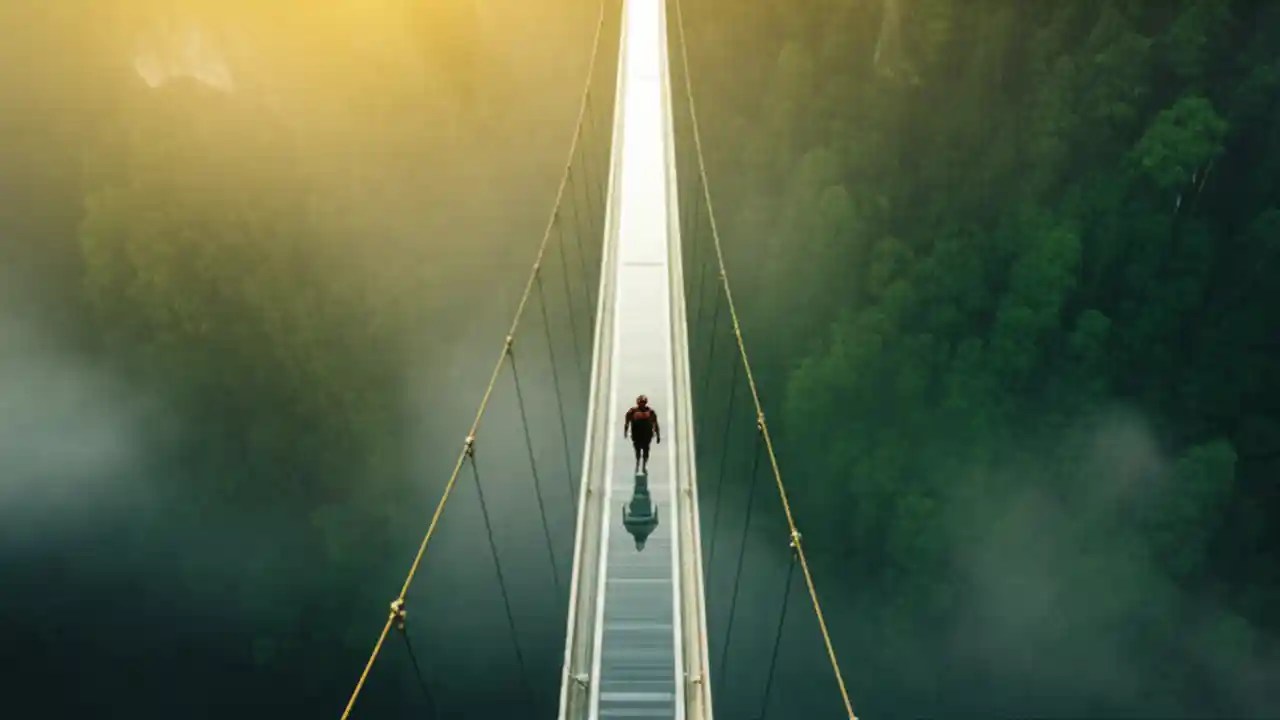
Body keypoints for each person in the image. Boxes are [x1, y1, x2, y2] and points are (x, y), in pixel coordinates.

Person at [624, 394, 661, 474]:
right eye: (641, 402)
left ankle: (644, 465)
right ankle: (638, 462)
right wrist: (625, 431)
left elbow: (655, 423)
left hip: (646, 436)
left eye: (643, 402)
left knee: (646, 452)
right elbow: (627, 422)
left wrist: (658, 435)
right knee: (637, 451)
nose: (642, 404)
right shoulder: (632, 411)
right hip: (636, 435)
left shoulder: (650, 412)